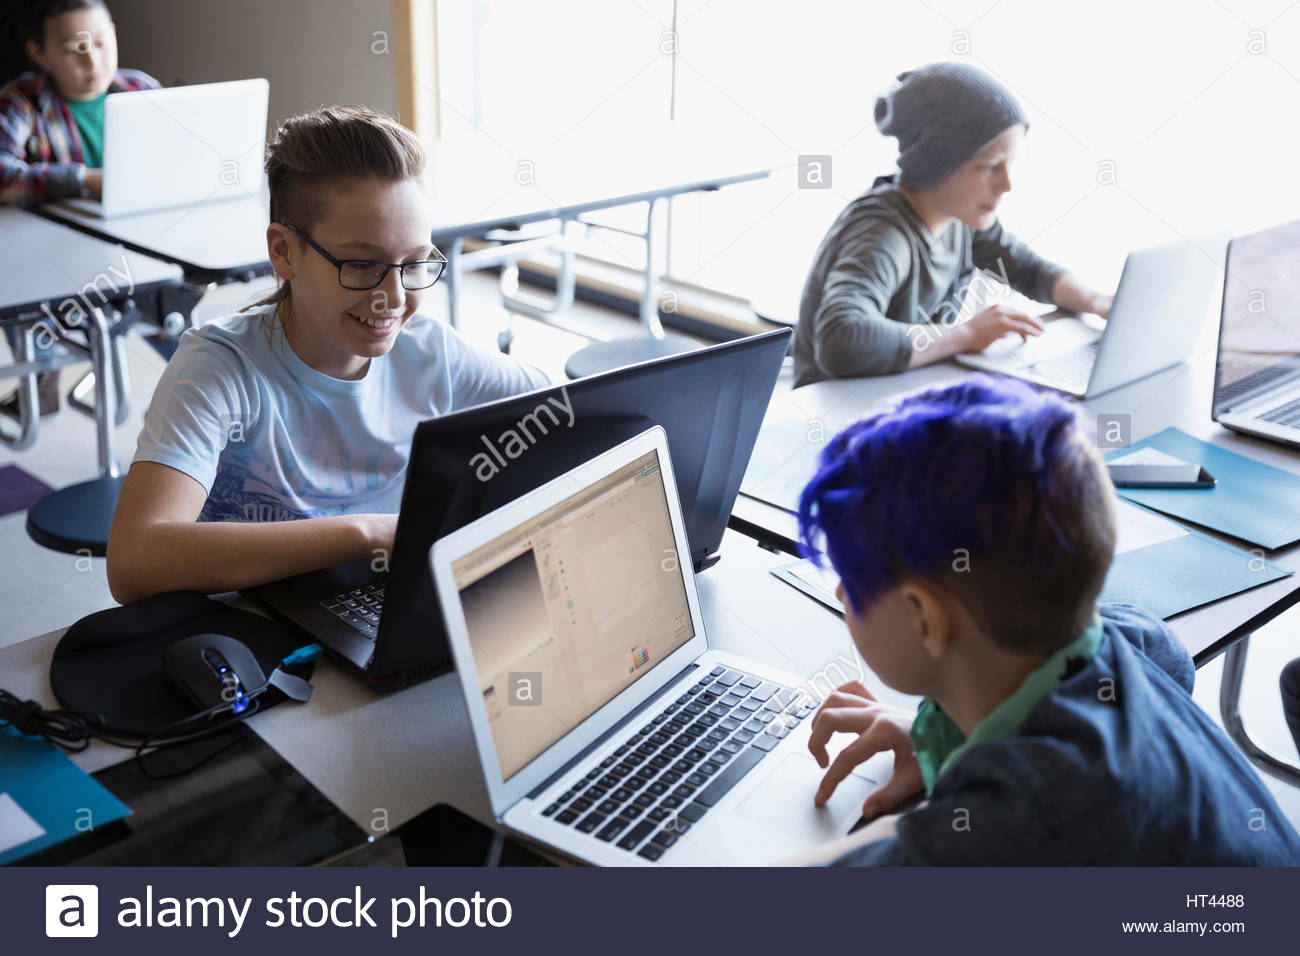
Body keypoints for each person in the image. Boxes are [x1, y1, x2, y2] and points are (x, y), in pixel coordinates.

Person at [795, 375, 1300, 864]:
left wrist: (911, 827)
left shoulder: (1014, 822)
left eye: (850, 576)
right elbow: (1170, 655)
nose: (840, 591)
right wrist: (943, 732)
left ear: (924, 618)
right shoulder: (1118, 640)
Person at [105, 105, 550, 604]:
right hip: (250, 630)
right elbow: (135, 560)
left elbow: (572, 408)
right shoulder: (219, 369)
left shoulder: (432, 352)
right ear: (284, 252)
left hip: (376, 606)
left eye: (415, 262)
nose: (395, 299)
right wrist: (365, 534)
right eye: (363, 265)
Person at [792, 62, 1113, 388]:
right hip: (840, 413)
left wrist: (1097, 301)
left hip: (897, 397)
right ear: (936, 165)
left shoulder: (961, 220)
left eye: (1010, 165)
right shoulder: (882, 235)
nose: (1007, 185)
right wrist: (967, 333)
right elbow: (842, 341)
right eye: (990, 167)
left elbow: (1027, 269)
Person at [0, 0, 158, 417]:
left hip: (140, 244)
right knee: (30, 288)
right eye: (75, 48)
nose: (94, 59)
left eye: (103, 43)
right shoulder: (23, 103)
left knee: (186, 299)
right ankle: (43, 376)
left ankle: (196, 384)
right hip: (56, 255)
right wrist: (85, 179)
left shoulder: (140, 90)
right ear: (40, 53)